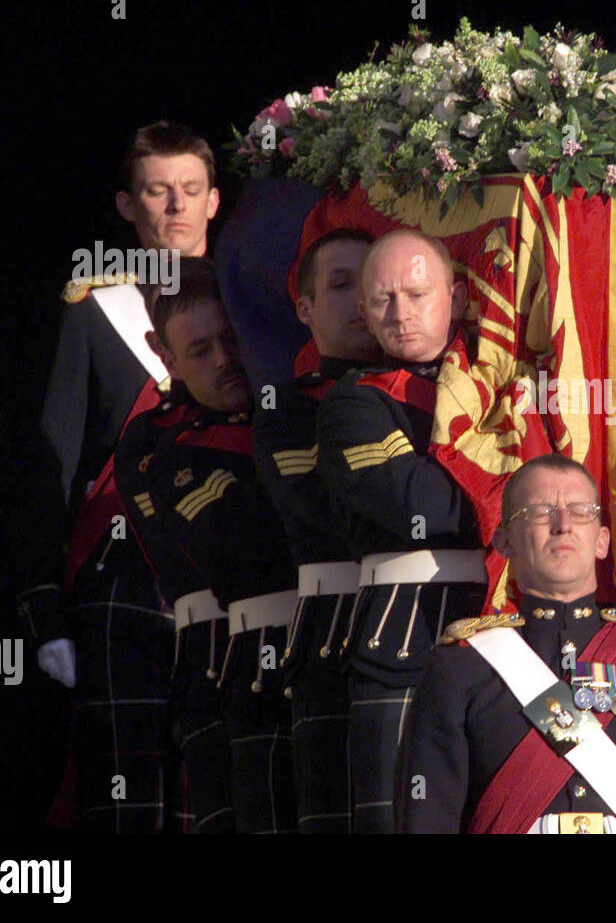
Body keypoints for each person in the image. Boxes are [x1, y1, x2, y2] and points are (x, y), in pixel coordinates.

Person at [15, 121, 221, 832]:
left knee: (221, 786)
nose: (176, 208)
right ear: (128, 206)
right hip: (123, 580)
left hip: (231, 571)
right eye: (158, 192)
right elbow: (54, 465)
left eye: (191, 190)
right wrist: (43, 611)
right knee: (124, 798)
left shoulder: (256, 305)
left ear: (214, 202)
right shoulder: (93, 311)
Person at [397, 454, 616, 834]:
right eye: (539, 512)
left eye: (581, 511)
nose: (563, 524)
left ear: (602, 540)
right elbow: (429, 816)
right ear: (504, 541)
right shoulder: (461, 665)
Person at [116, 258, 299, 834]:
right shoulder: (156, 445)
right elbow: (242, 545)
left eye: (232, 338)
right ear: (163, 356)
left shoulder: (290, 407)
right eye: (200, 351)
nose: (225, 361)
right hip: (219, 661)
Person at [315, 228, 488, 833]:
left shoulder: (500, 383)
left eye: (418, 294)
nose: (401, 314)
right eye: (384, 300)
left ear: (458, 298)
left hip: (501, 632)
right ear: (363, 311)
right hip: (404, 637)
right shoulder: (352, 402)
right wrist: (513, 488)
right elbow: (418, 501)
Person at [253, 227, 380, 832]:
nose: (361, 300)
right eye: (340, 284)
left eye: (373, 282)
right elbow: (332, 516)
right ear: (303, 308)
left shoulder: (441, 388)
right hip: (334, 641)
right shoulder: (285, 405)